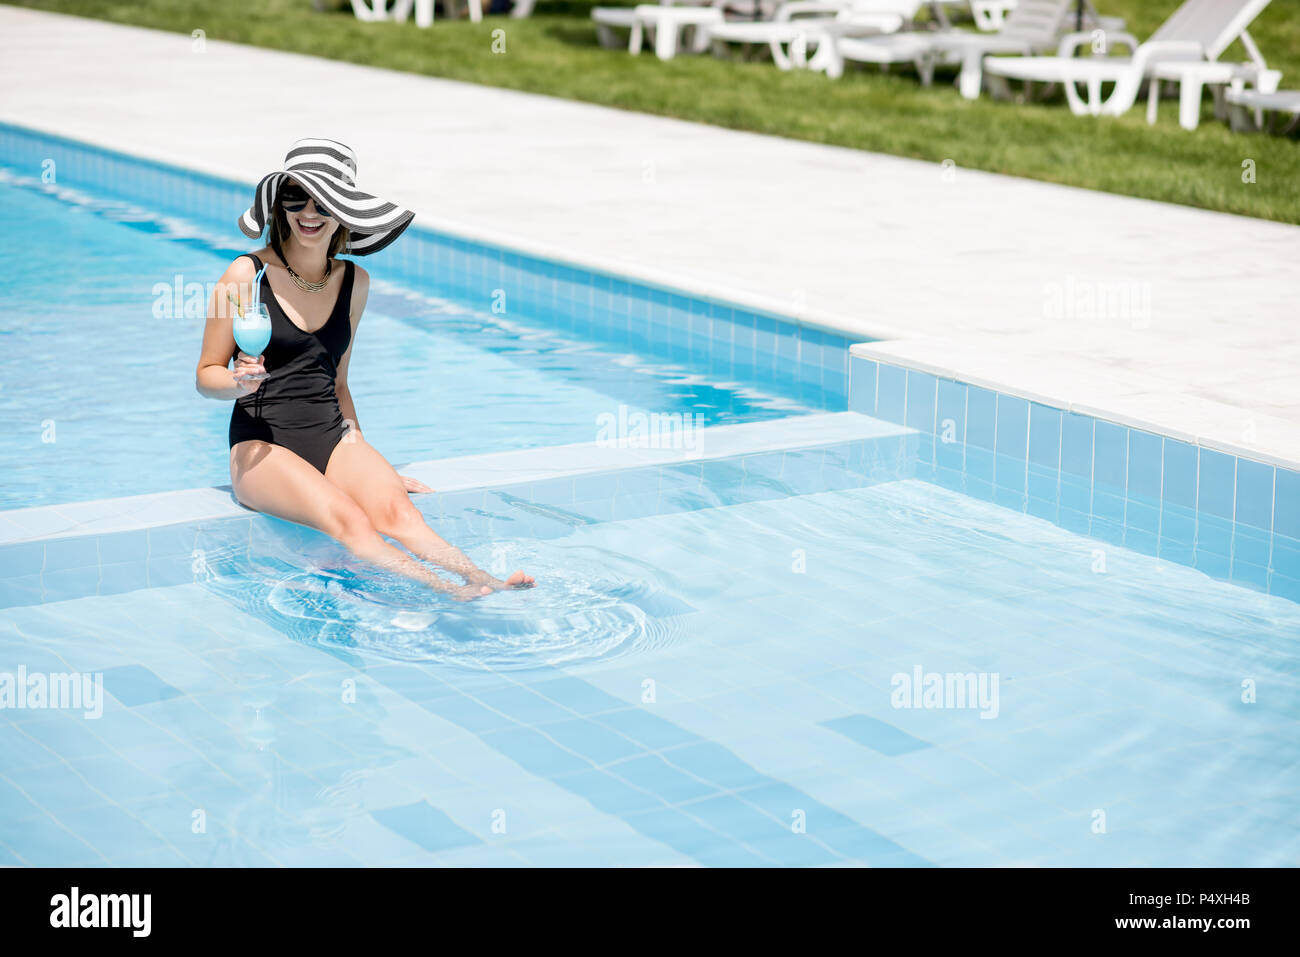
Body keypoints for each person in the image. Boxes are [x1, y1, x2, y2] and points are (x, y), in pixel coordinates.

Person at [196, 138, 533, 600]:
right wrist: (235, 382)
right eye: (296, 197)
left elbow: (338, 381)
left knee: (398, 513)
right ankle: (445, 590)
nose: (309, 213)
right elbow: (206, 374)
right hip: (261, 447)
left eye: (325, 200)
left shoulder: (355, 281)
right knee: (350, 519)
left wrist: (365, 459)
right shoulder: (244, 276)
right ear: (280, 205)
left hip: (332, 435)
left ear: (343, 209)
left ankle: (484, 579)